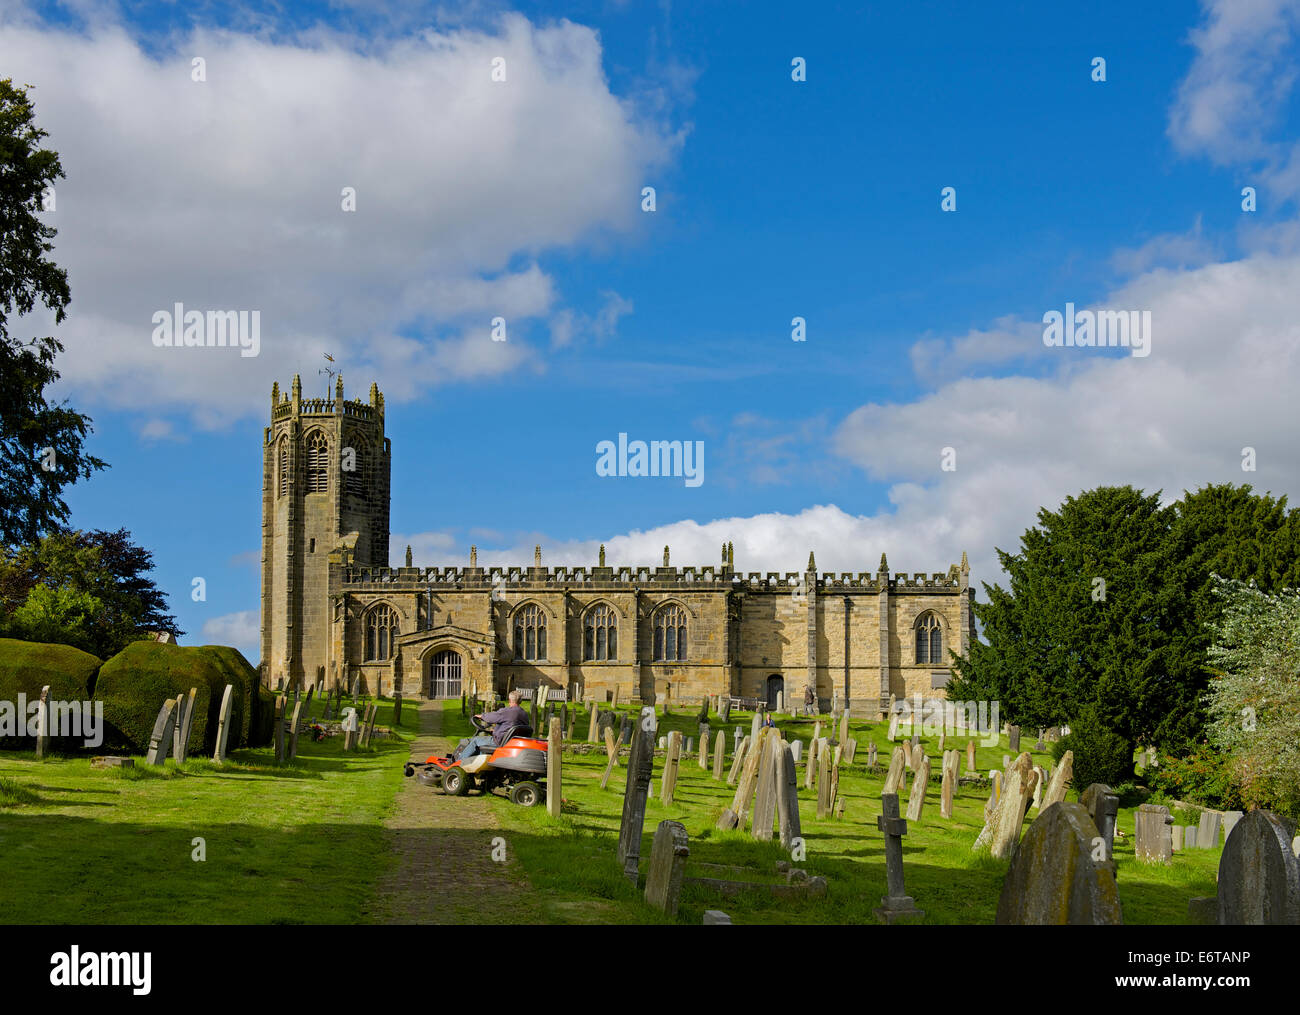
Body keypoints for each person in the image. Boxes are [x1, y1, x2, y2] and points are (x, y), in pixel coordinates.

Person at [459, 690, 531, 760]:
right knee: (481, 746)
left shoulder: (507, 711)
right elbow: (511, 726)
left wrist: (482, 716)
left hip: (499, 742)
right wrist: (496, 730)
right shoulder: (524, 714)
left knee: (475, 740)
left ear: (509, 700)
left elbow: (492, 717)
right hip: (511, 742)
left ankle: (458, 762)